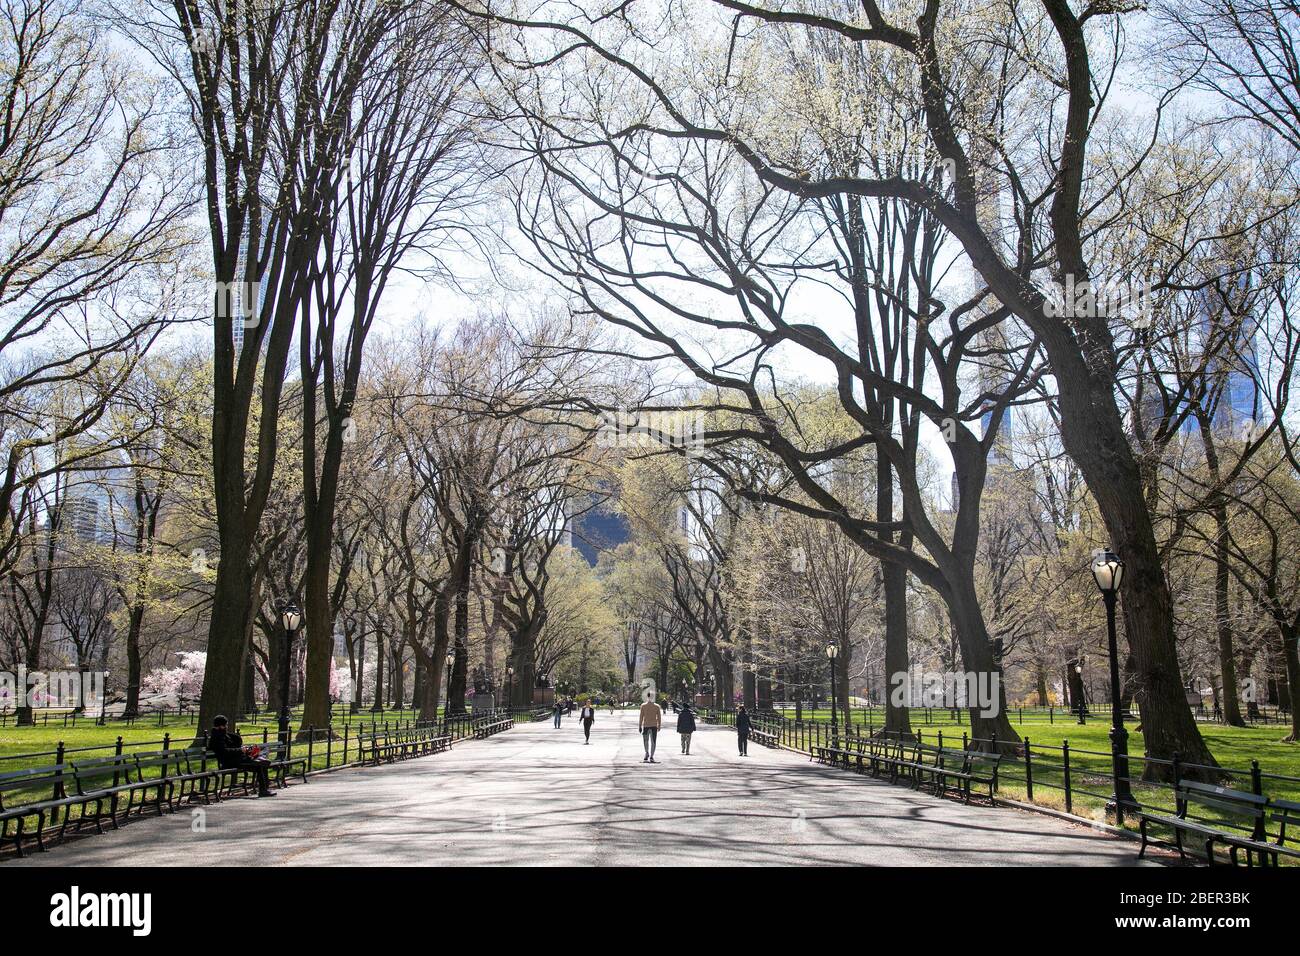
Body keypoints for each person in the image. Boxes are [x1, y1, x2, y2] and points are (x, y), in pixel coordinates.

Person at [208, 715, 274, 797]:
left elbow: (234, 744)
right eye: (226, 725)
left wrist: (243, 749)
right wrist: (240, 750)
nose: (227, 727)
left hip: (237, 760)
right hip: (229, 762)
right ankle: (263, 790)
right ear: (221, 726)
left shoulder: (223, 735)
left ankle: (264, 789)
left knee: (262, 764)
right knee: (260, 765)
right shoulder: (217, 738)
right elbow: (224, 751)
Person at [638, 693, 662, 763]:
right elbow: (659, 717)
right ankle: (651, 756)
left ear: (647, 697)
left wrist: (639, 726)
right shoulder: (657, 706)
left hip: (646, 726)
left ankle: (646, 753)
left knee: (645, 741)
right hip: (654, 726)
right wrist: (659, 725)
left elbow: (641, 717)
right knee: (653, 741)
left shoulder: (643, 706)